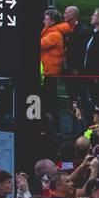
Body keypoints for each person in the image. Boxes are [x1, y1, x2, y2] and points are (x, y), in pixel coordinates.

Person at [39, 9, 71, 138]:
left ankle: (55, 129)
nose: (43, 21)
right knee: (48, 101)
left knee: (50, 102)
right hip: (47, 72)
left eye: (46, 19)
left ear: (52, 21)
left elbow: (40, 44)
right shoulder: (50, 32)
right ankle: (51, 127)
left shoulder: (54, 34)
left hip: (50, 73)